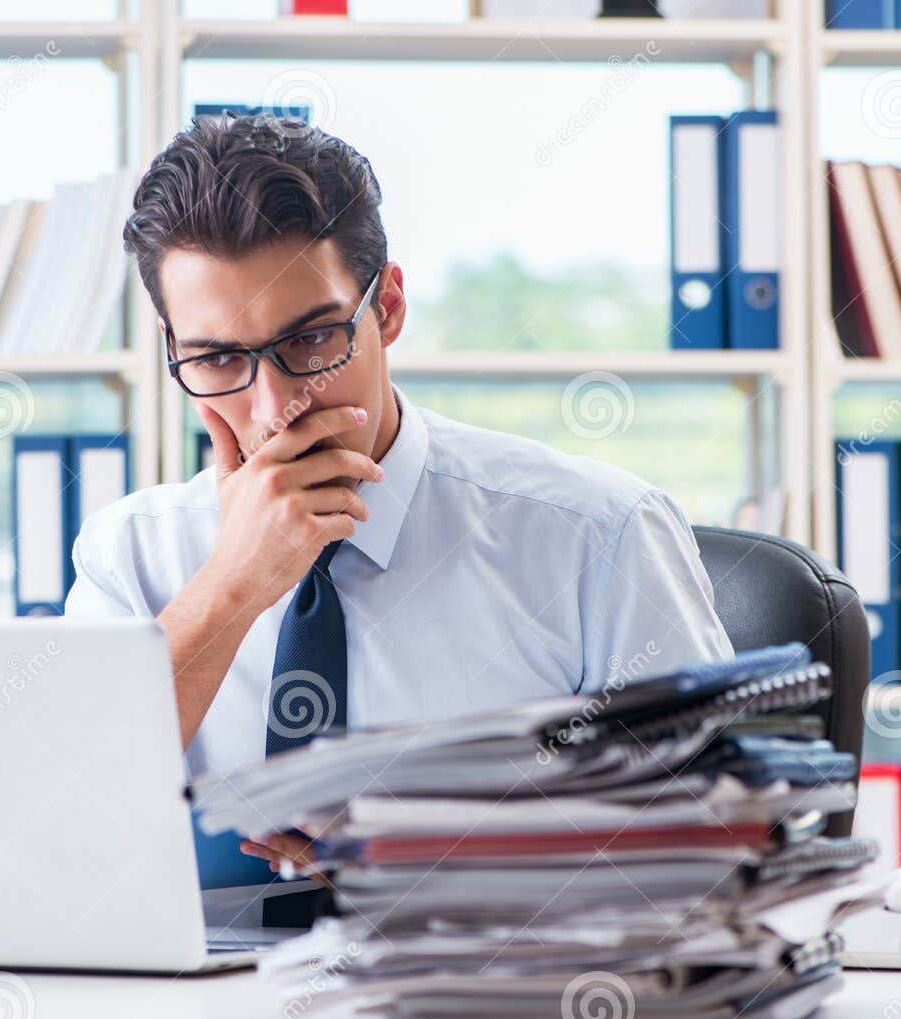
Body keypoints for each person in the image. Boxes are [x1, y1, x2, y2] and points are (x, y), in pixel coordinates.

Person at [65, 114, 733, 883]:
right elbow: (51, 821)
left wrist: (448, 870)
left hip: (506, 991)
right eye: (217, 358)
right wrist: (232, 586)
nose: (274, 405)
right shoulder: (131, 554)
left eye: (311, 342)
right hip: (189, 997)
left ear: (385, 308)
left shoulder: (597, 536)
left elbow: (717, 845)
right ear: (173, 349)